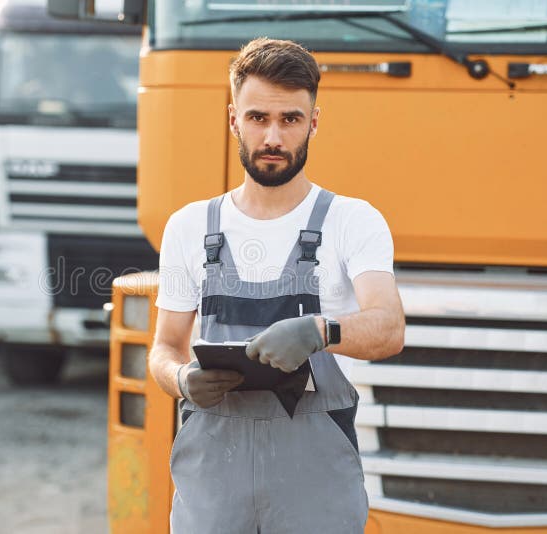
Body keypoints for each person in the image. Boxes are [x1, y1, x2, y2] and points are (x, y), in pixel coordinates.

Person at [149, 37, 406, 533]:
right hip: (212, 477)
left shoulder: (353, 221)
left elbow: (389, 327)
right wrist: (182, 380)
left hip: (314, 483)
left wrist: (319, 331)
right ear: (232, 120)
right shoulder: (187, 226)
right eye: (257, 118)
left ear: (313, 122)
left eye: (289, 119)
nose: (272, 137)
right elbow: (163, 348)